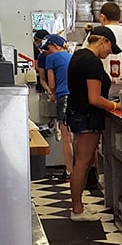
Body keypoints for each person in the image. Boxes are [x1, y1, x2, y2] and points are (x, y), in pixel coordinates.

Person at [66, 27, 122, 220]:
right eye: (110, 47)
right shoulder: (92, 62)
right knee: (82, 163)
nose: (109, 53)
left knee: (84, 161)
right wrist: (116, 105)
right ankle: (77, 210)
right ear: (102, 41)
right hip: (87, 116)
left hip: (77, 113)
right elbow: (94, 98)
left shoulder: (78, 56)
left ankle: (78, 205)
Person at [43, 34, 74, 183]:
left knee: (66, 138)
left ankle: (70, 171)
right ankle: (80, 171)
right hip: (77, 98)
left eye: (48, 48)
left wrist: (52, 94)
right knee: (76, 136)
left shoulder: (51, 59)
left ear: (55, 45)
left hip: (64, 97)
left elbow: (52, 83)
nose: (47, 52)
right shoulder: (71, 56)